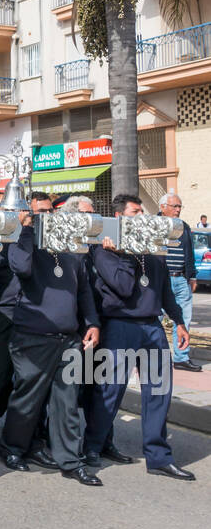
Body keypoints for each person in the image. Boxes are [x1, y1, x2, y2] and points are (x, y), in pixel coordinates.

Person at [84, 193, 195, 481]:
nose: (141, 217)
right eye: (135, 212)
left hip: (152, 326)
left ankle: (158, 457)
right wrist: (124, 253)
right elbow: (122, 286)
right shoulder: (105, 250)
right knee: (110, 390)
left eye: (142, 212)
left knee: (159, 391)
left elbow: (164, 289)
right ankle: (93, 446)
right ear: (119, 217)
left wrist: (179, 321)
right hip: (120, 326)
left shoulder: (152, 246)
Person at [0, 200, 102, 485]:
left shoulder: (73, 250)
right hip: (33, 336)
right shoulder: (29, 244)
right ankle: (12, 447)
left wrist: (92, 322)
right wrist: (26, 229)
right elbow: (19, 266)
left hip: (69, 339)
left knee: (67, 402)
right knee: (28, 399)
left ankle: (70, 461)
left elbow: (83, 292)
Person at [159, 190, 200, 371]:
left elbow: (189, 253)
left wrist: (191, 276)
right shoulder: (154, 225)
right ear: (163, 207)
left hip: (180, 279)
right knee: (155, 317)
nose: (177, 210)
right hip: (161, 279)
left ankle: (181, 357)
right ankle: (153, 356)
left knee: (183, 319)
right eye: (174, 206)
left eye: (179, 206)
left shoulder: (184, 226)